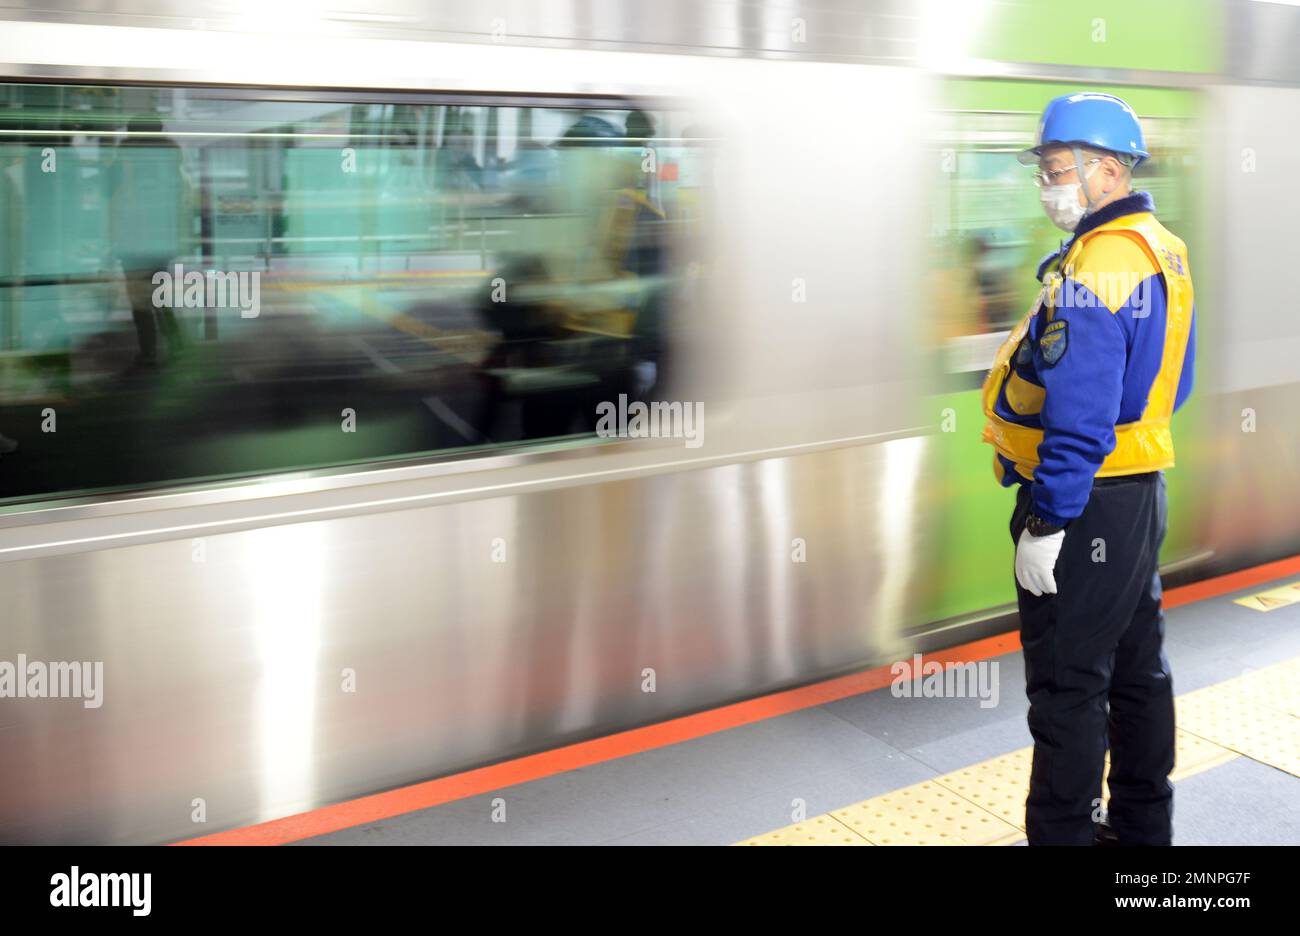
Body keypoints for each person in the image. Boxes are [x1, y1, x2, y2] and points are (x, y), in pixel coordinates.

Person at [980, 92, 1197, 845]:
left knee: (1069, 687)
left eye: (1053, 169)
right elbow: (1176, 380)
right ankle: (1143, 833)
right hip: (1138, 495)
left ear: (1105, 168)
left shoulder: (1096, 267)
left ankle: (1064, 835)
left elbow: (1079, 417)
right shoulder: (1157, 246)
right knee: (1139, 670)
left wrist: (1047, 520)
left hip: (1085, 503)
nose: (1046, 185)